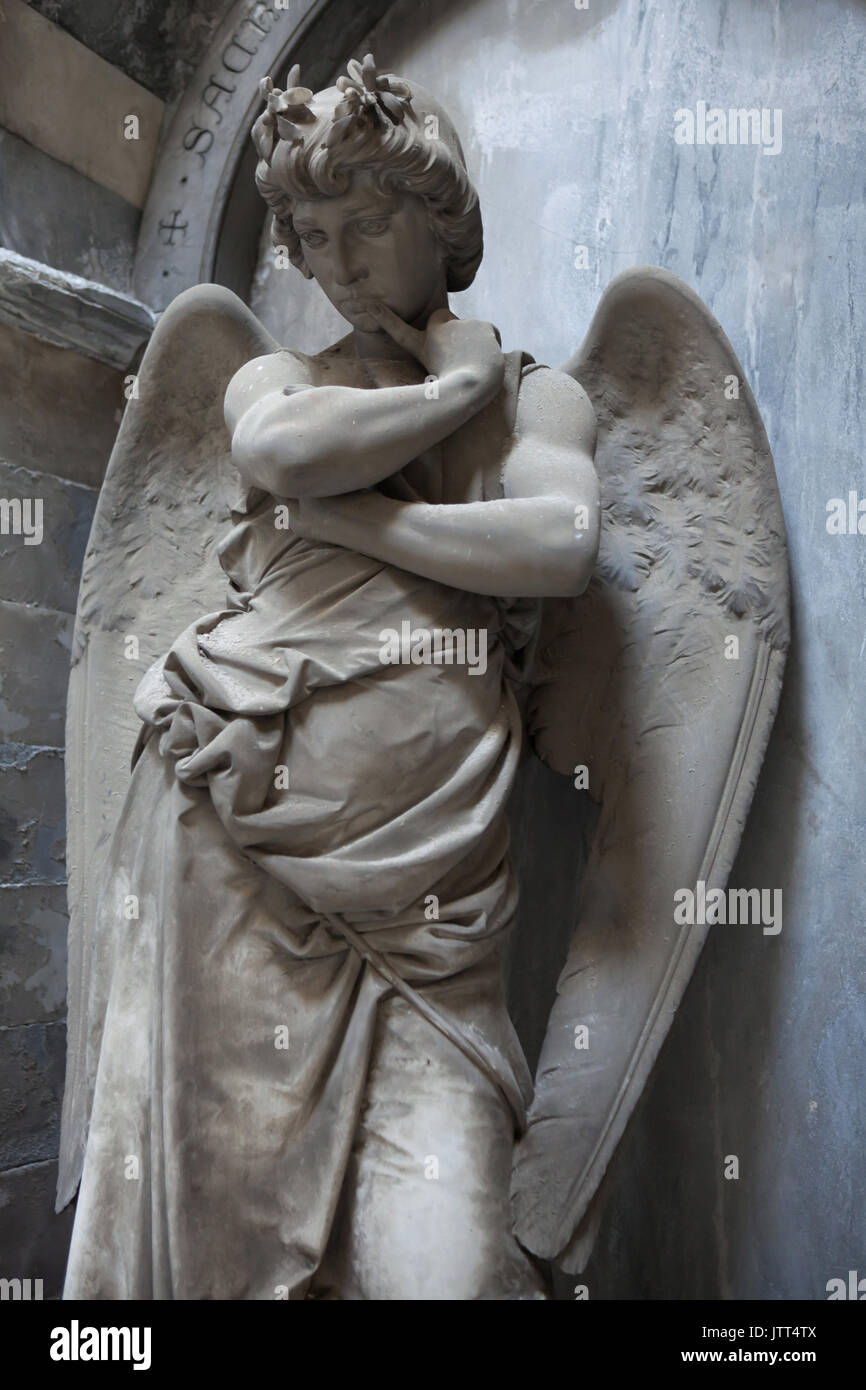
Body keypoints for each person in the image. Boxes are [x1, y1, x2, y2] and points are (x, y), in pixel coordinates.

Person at [63, 56, 599, 1300]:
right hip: (232, 833)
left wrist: (358, 526)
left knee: (447, 1273)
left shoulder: (540, 403)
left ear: (443, 229)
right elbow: (274, 448)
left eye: (369, 225)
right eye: (312, 235)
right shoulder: (280, 381)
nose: (340, 263)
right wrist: (451, 382)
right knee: (216, 1221)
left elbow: (558, 547)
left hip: (433, 903)